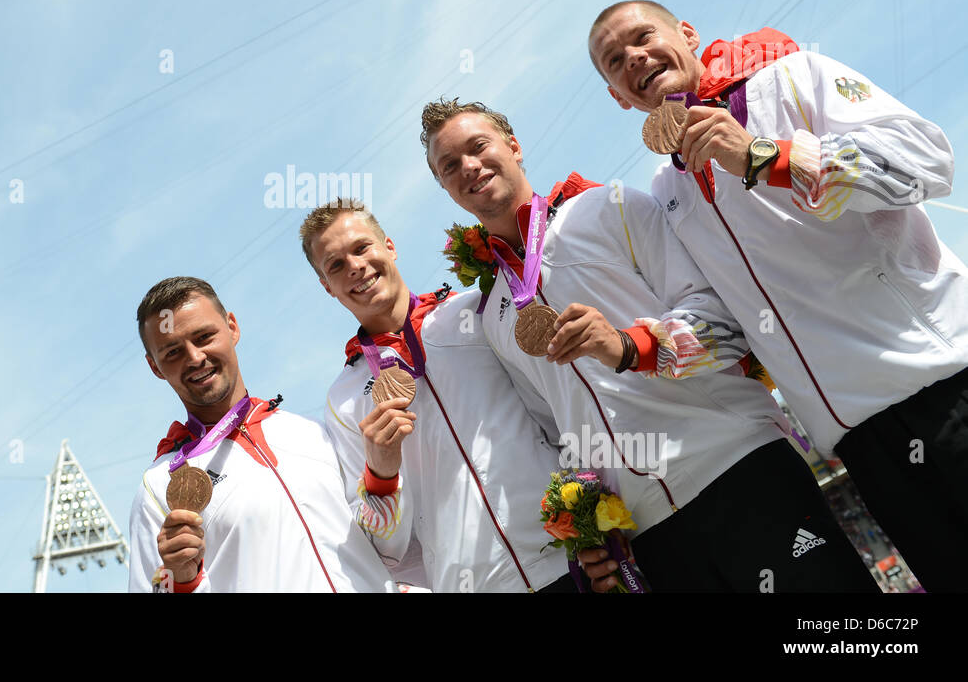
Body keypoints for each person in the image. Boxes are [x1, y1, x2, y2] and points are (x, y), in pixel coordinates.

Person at [420, 97, 877, 593]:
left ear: (513, 145)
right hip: (650, 529)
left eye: (478, 146)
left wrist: (628, 345)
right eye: (449, 165)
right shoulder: (494, 315)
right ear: (444, 188)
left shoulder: (607, 207)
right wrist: (590, 531)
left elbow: (721, 319)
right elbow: (558, 434)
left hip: (735, 464)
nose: (469, 166)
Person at [587, 0, 968, 591]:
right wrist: (629, 347)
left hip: (945, 386)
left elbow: (926, 160)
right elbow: (728, 326)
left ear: (686, 34)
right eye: (615, 60)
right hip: (859, 443)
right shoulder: (668, 191)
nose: (635, 57)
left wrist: (767, 157)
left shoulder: (790, 79)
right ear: (617, 95)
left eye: (644, 37)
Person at [299, 200, 581, 592]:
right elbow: (384, 549)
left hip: (571, 555)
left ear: (389, 246)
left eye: (362, 248)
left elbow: (561, 412)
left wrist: (596, 518)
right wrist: (380, 474)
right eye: (335, 265)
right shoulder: (344, 400)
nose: (355, 267)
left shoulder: (475, 313)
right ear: (327, 286)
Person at [127, 276, 396, 593]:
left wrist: (382, 477)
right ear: (155, 367)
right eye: (173, 352)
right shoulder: (160, 487)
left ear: (232, 327)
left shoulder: (312, 432)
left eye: (203, 336)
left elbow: (389, 548)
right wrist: (183, 583)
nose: (195, 357)